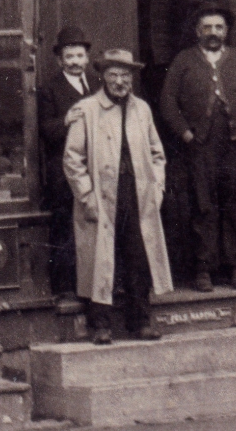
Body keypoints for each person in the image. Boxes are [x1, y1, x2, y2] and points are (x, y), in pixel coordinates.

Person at [63, 48, 171, 344]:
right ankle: (101, 325)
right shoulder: (87, 110)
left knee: (139, 258)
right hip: (100, 196)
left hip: (137, 194)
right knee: (101, 260)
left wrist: (157, 188)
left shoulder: (143, 110)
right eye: (113, 74)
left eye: (125, 75)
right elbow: (73, 160)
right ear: (102, 77)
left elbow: (157, 154)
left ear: (132, 77)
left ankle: (141, 322)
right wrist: (87, 197)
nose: (120, 81)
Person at [160, 4, 236, 292]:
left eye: (218, 27)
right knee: (203, 205)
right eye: (207, 27)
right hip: (201, 145)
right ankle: (203, 269)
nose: (213, 32)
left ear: (226, 31)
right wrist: (185, 134)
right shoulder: (184, 60)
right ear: (197, 31)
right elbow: (168, 102)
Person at [39, 26, 99, 300]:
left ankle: (95, 284)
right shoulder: (49, 89)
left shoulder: (98, 85)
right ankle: (65, 287)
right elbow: (45, 129)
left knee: (95, 225)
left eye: (79, 56)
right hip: (63, 171)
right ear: (60, 60)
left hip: (96, 168)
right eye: (69, 57)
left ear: (87, 58)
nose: (75, 62)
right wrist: (66, 120)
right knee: (65, 228)